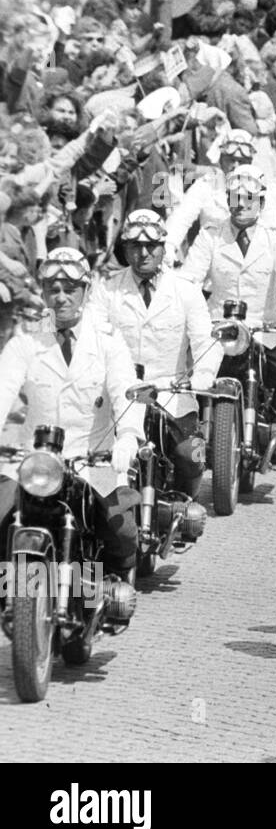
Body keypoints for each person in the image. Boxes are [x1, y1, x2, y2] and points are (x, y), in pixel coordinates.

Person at [0, 248, 142, 584]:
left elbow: (125, 387)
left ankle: (105, 590)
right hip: (34, 461)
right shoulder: (27, 338)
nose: (61, 298)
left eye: (70, 289)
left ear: (86, 290)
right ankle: (11, 592)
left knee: (121, 533)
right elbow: (3, 385)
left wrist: (128, 436)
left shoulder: (107, 338)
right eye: (53, 289)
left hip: (91, 459)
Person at [84, 211, 224, 498]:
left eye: (151, 246)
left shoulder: (186, 290)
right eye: (135, 247)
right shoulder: (107, 290)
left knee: (191, 456)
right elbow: (92, 338)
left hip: (171, 394)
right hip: (119, 395)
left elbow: (205, 340)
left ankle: (184, 504)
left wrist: (204, 373)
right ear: (125, 249)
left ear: (163, 247)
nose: (143, 254)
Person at [178, 167, 276, 461]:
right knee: (188, 383)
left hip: (264, 330)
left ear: (260, 203)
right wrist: (194, 317)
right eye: (236, 197)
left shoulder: (275, 238)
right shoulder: (210, 236)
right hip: (217, 331)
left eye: (249, 198)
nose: (242, 204)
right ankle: (190, 446)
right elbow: (189, 280)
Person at [164, 129, 276, 264]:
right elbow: (181, 217)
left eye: (241, 161)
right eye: (231, 160)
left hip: (252, 263)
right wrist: (168, 246)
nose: (235, 166)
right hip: (211, 264)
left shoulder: (261, 189)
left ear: (250, 162)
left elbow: (272, 226)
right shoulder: (206, 185)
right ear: (221, 160)